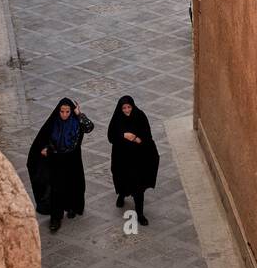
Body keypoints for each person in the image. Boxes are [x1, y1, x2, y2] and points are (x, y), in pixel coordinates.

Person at [27, 98, 94, 233]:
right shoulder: (54, 122)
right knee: (56, 189)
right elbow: (44, 138)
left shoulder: (77, 121)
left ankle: (71, 207)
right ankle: (55, 218)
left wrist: (78, 113)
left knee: (73, 185)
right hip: (56, 160)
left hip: (73, 160)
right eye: (62, 111)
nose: (64, 114)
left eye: (67, 111)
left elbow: (89, 127)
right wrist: (46, 148)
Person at [107, 95, 159, 224]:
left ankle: (140, 214)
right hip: (121, 159)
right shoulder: (117, 118)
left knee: (138, 186)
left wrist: (135, 138)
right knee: (122, 179)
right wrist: (123, 135)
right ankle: (122, 195)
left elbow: (147, 135)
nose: (127, 110)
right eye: (124, 108)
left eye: (129, 107)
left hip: (138, 159)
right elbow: (111, 136)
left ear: (133, 106)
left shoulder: (140, 116)